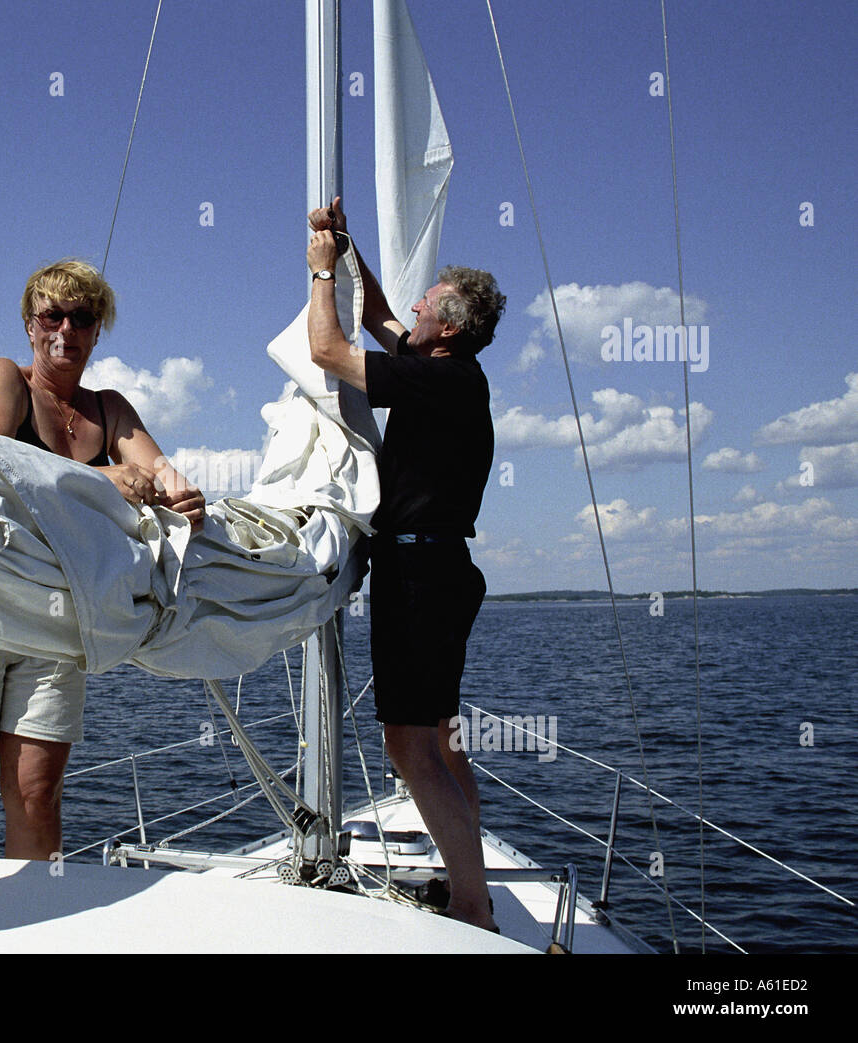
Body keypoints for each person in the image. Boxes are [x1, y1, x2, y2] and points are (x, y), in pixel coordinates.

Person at [0, 259, 204, 860]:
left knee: (38, 795)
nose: (66, 328)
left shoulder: (109, 409)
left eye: (82, 317)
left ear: (97, 332)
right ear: (30, 324)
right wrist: (101, 479)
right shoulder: (6, 380)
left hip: (56, 620)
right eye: (52, 315)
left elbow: (156, 468)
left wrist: (180, 492)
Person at [305, 198, 504, 932]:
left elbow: (330, 348)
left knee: (409, 745)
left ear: (447, 326)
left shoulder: (440, 379)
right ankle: (470, 884)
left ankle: (473, 904)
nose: (412, 307)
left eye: (427, 303)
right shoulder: (443, 369)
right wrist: (348, 246)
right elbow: (382, 309)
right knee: (443, 737)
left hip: (419, 577)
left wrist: (322, 275)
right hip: (441, 570)